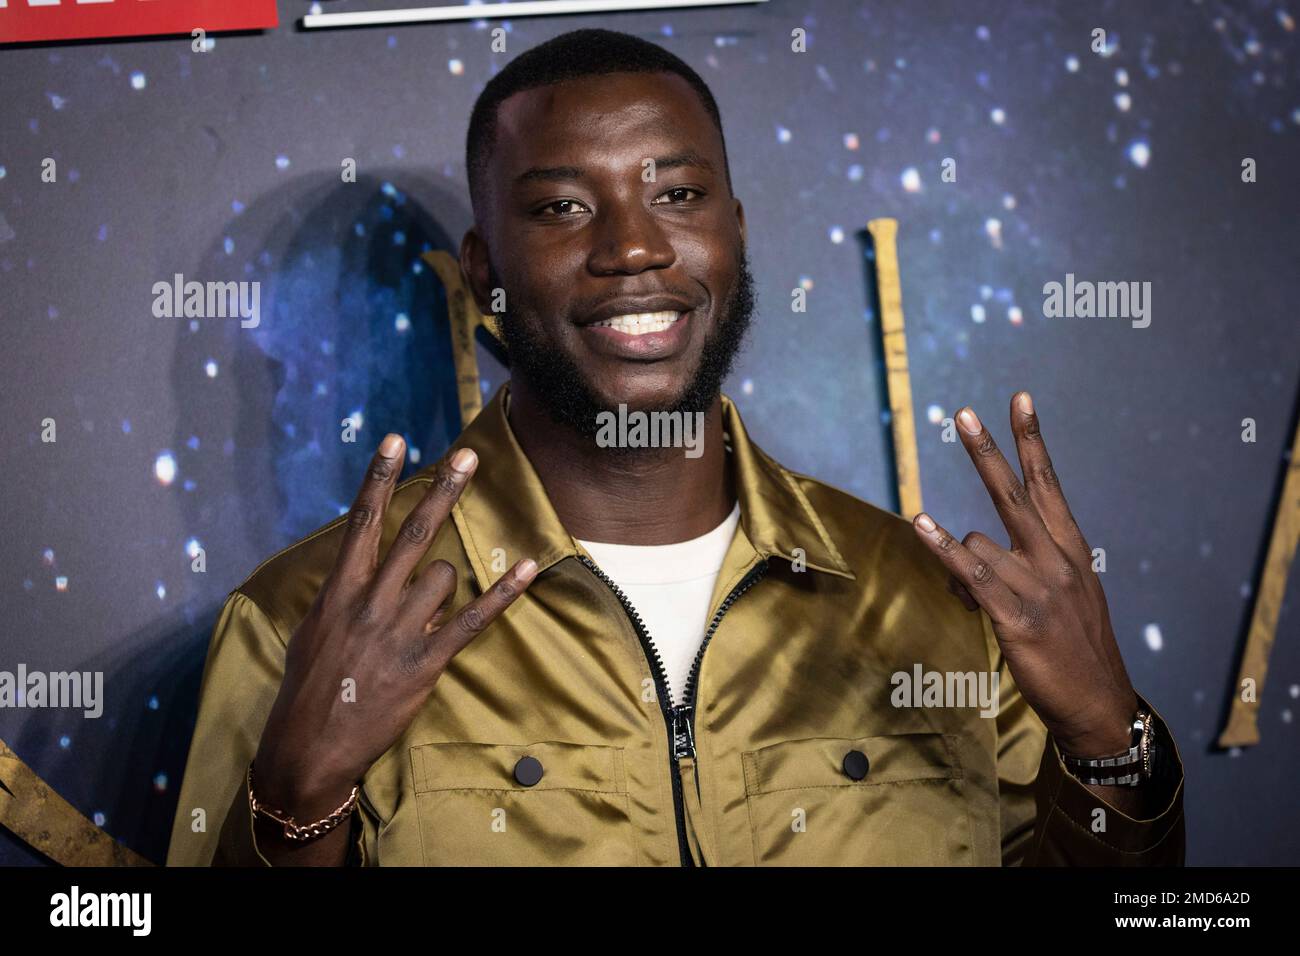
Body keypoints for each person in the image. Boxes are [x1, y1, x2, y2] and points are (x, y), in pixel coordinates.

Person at [167, 28, 1184, 867]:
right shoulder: (303, 622)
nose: (633, 247)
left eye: (678, 195)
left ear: (735, 236)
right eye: (562, 207)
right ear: (484, 273)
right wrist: (295, 807)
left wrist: (1110, 749)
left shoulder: (939, 605)